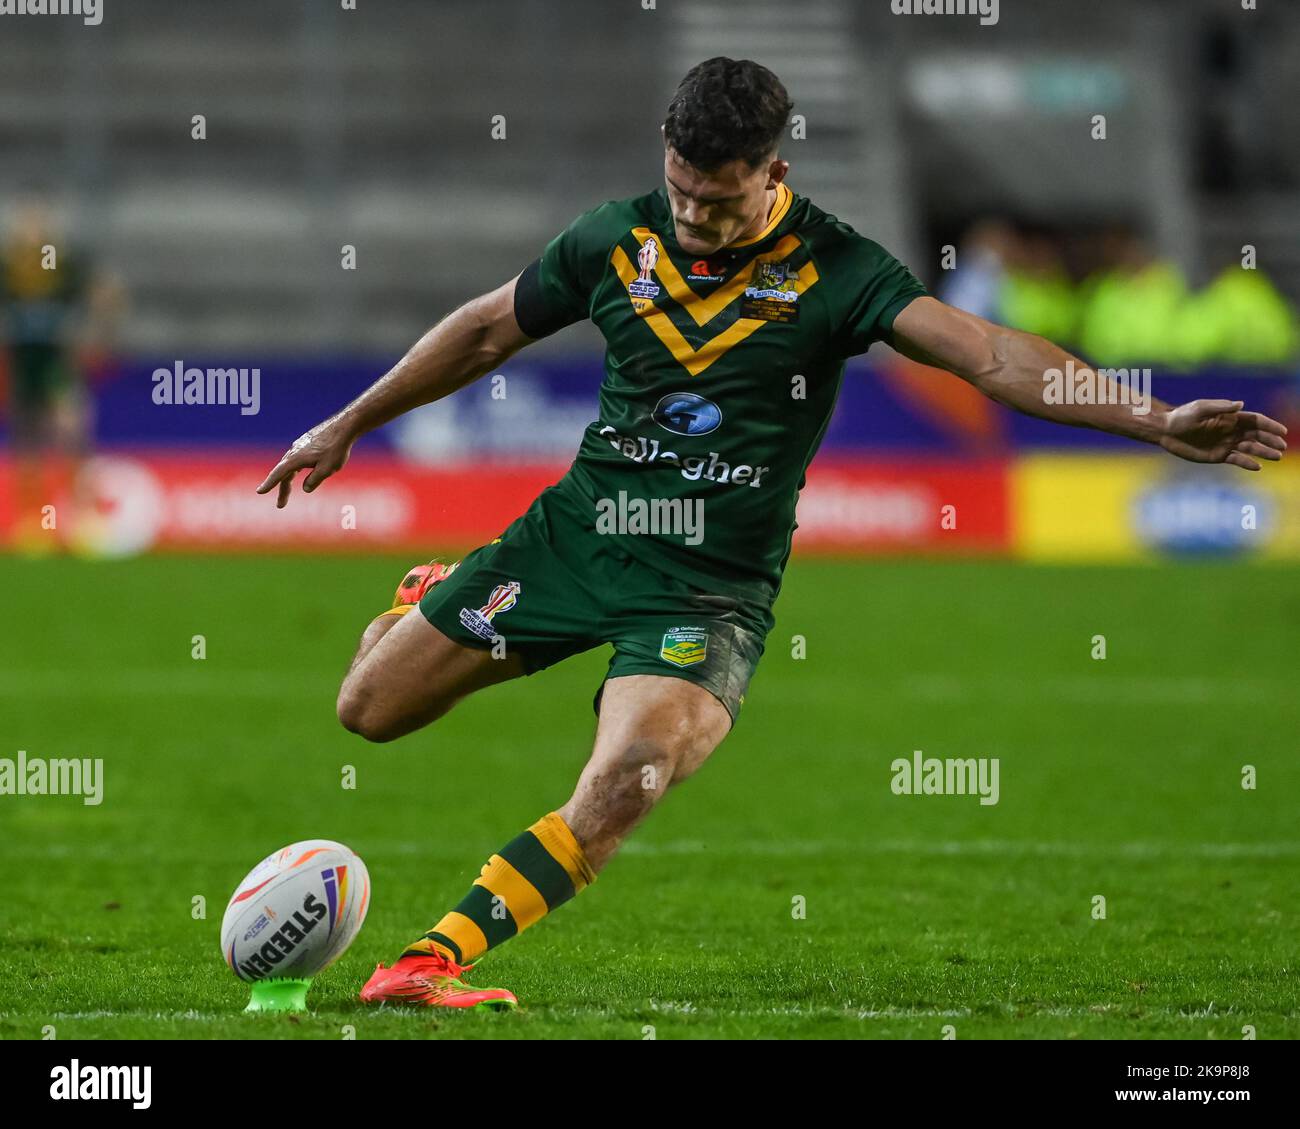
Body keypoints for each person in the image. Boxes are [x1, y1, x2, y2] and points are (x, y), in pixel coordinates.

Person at [257, 57, 1288, 1011]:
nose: (696, 216)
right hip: (577, 539)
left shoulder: (836, 269)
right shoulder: (615, 239)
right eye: (681, 191)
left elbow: (987, 353)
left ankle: (430, 960)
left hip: (704, 593)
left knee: (628, 779)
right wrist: (346, 421)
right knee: (367, 711)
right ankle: (422, 601)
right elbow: (487, 327)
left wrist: (1150, 418)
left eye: (720, 196)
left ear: (775, 171)